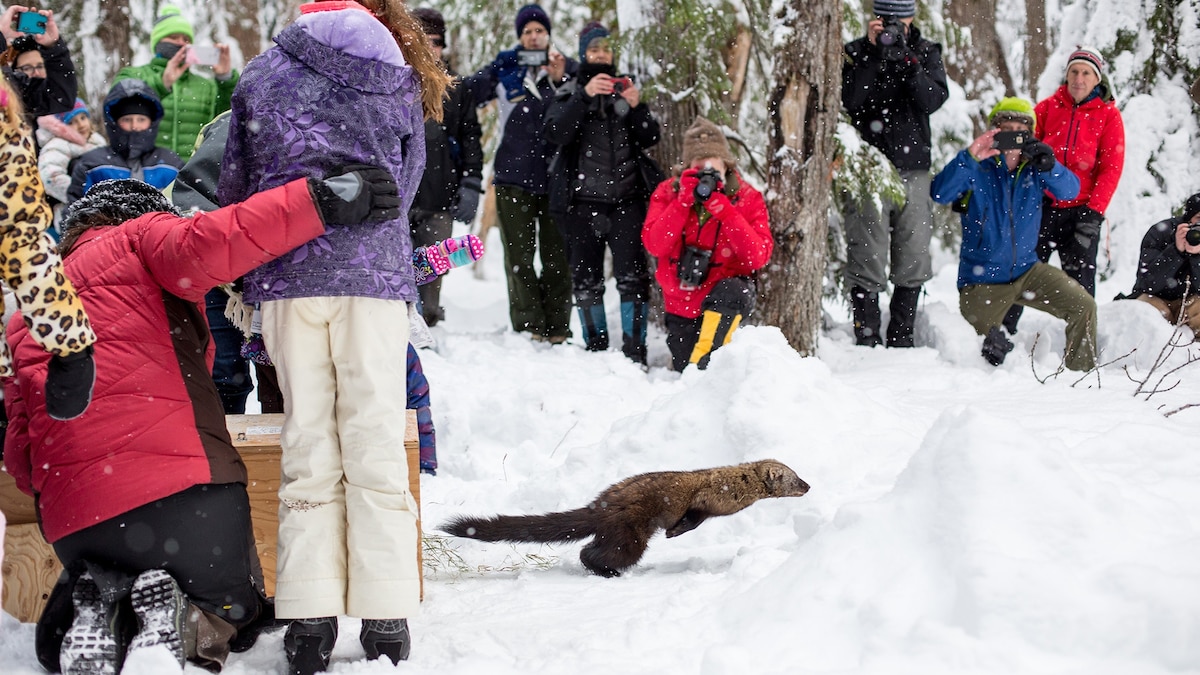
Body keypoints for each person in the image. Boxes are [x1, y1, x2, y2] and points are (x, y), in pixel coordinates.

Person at [5, 166, 399, 672]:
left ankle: (102, 599)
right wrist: (318, 201)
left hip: (78, 523)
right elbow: (213, 242)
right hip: (185, 500)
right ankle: (183, 622)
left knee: (96, 587)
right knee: (237, 613)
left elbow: (20, 458)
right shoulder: (137, 236)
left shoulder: (29, 314)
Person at [216, 1, 451, 672]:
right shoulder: (397, 75)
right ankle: (384, 614)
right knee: (375, 435)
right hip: (373, 278)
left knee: (306, 438)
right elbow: (406, 187)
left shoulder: (262, 76)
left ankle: (310, 617)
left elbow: (237, 184)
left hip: (291, 276)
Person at [930, 97, 1097, 371]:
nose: (1014, 137)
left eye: (1021, 130)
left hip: (1027, 272)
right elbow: (939, 192)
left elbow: (1071, 191)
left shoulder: (1034, 169)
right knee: (981, 349)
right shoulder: (977, 168)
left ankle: (1082, 376)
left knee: (1084, 306)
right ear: (994, 133)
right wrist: (971, 155)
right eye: (1007, 129)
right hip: (982, 280)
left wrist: (1050, 165)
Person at [545, 21, 662, 364]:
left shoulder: (624, 89)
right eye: (594, 50)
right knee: (586, 281)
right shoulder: (569, 90)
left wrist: (637, 106)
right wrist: (584, 95)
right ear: (584, 54)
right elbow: (556, 132)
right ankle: (595, 349)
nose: (601, 56)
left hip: (627, 202)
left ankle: (634, 351)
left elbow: (650, 136)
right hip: (582, 205)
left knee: (633, 280)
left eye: (606, 50)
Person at [464, 3, 576, 343]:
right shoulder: (506, 70)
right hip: (513, 178)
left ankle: (557, 326)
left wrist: (561, 78)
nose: (533, 36)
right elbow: (470, 92)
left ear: (548, 35)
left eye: (538, 30)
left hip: (557, 179)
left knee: (557, 256)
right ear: (520, 37)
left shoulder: (566, 69)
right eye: (527, 31)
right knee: (519, 257)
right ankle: (529, 326)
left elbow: (582, 109)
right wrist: (500, 65)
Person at [841, 0, 948, 348]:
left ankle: (902, 337)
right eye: (887, 18)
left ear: (912, 18)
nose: (893, 25)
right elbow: (853, 100)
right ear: (874, 19)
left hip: (913, 167)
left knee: (914, 250)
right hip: (869, 165)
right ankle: (866, 336)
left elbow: (931, 100)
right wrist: (873, 55)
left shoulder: (925, 51)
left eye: (900, 18)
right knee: (867, 251)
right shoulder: (856, 52)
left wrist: (907, 60)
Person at [1002, 45, 1126, 334]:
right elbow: (1017, 141)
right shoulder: (1047, 107)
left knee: (1080, 286)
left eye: (1086, 73)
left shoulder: (1108, 115)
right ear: (1066, 75)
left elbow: (1111, 168)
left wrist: (1093, 214)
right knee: (1020, 271)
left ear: (1097, 79)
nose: (1079, 79)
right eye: (1074, 72)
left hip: (1082, 212)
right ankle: (1001, 333)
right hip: (1042, 207)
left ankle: (1082, 341)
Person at [642, 116, 772, 371]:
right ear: (687, 166)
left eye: (714, 167)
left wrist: (726, 212)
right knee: (684, 365)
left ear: (726, 165)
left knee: (704, 365)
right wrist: (682, 203)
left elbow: (757, 257)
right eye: (700, 167)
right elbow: (654, 245)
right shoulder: (669, 192)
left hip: (722, 298)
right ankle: (698, 367)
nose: (708, 176)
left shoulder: (746, 198)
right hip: (681, 299)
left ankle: (707, 366)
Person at [0, 78, 95, 422]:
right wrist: (72, 349)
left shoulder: (93, 143)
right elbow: (21, 233)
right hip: (58, 222)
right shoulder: (50, 144)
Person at [409, 7, 484, 327]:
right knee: (398, 268)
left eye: (436, 41)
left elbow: (471, 141)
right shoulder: (396, 81)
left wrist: (471, 184)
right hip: (400, 197)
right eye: (423, 40)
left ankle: (429, 319)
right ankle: (401, 321)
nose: (430, 47)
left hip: (441, 196)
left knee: (435, 265)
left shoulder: (458, 87)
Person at [112, 3, 239, 161]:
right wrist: (162, 83)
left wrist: (225, 79)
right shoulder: (133, 74)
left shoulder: (205, 86)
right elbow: (118, 104)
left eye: (186, 39)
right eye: (173, 37)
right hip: (142, 170)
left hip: (188, 177)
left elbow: (225, 122)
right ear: (157, 42)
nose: (180, 43)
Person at [67, 79, 183, 202]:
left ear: (152, 122)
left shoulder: (172, 164)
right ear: (114, 122)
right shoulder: (92, 164)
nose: (134, 126)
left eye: (141, 119)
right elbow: (76, 212)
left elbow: (186, 207)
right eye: (127, 120)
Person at [1124, 192, 1200, 337]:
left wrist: (1197, 257)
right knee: (1147, 315)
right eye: (1199, 219)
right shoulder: (1161, 233)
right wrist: (1176, 251)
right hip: (1154, 298)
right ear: (1188, 218)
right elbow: (1146, 283)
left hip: (1189, 303)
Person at [36, 98, 105, 231]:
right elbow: (50, 176)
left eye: (83, 118)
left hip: (100, 208)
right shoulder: (58, 145)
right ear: (61, 127)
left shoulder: (98, 142)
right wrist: (81, 195)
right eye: (72, 122)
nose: (81, 125)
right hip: (71, 211)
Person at [0, 7, 77, 123]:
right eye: (27, 68)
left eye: (40, 66)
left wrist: (53, 49)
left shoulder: (8, 84)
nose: (36, 72)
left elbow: (60, 98)